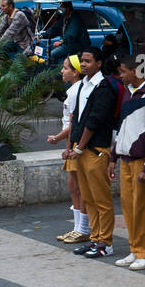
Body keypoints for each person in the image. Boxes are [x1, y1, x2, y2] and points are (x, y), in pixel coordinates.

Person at [66, 47, 119, 259]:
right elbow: (77, 118)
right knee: (88, 197)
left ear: (99, 63)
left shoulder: (103, 87)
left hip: (96, 148)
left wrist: (80, 146)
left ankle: (105, 242)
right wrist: (72, 145)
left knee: (101, 199)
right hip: (81, 148)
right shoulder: (83, 85)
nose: (84, 64)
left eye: (88, 61)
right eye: (82, 61)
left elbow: (95, 119)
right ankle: (94, 239)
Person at [109, 55, 145, 272]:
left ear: (135, 71)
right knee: (129, 207)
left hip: (141, 160)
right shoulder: (129, 93)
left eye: (123, 71)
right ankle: (135, 248)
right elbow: (121, 127)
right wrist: (113, 156)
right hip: (125, 158)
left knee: (143, 208)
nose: (120, 75)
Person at [49, 55, 89, 245]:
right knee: (74, 187)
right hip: (72, 142)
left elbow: (73, 122)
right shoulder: (73, 90)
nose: (62, 71)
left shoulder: (75, 92)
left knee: (77, 187)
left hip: (74, 143)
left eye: (65, 68)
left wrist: (61, 141)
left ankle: (83, 229)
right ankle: (78, 228)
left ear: (75, 72)